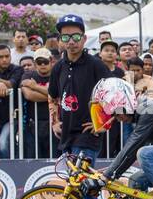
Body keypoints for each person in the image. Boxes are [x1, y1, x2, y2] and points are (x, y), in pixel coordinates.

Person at [48, 14, 114, 179]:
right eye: (66, 37)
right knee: (75, 187)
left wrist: (102, 122)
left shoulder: (96, 65)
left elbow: (115, 96)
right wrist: (54, 122)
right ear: (60, 40)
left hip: (87, 137)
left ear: (84, 38)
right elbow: (52, 96)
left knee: (80, 182)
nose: (71, 41)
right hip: (66, 136)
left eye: (76, 36)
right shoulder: (58, 67)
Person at [18, 47, 54, 158]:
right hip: (32, 124)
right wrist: (50, 95)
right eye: (39, 62)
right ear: (35, 63)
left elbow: (58, 94)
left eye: (45, 61)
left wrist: (34, 86)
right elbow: (29, 95)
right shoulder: (28, 75)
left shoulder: (56, 75)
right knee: (33, 157)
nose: (43, 65)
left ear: (51, 61)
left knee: (53, 157)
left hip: (54, 124)